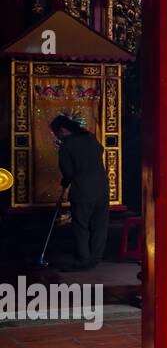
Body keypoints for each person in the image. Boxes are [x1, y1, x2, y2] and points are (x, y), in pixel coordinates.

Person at [50, 115, 110, 271]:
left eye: (56, 133)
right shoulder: (90, 138)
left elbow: (68, 173)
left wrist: (65, 182)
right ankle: (96, 258)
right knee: (100, 225)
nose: (57, 136)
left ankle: (84, 259)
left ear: (62, 130)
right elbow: (100, 150)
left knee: (81, 224)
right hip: (102, 188)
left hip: (83, 190)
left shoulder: (67, 146)